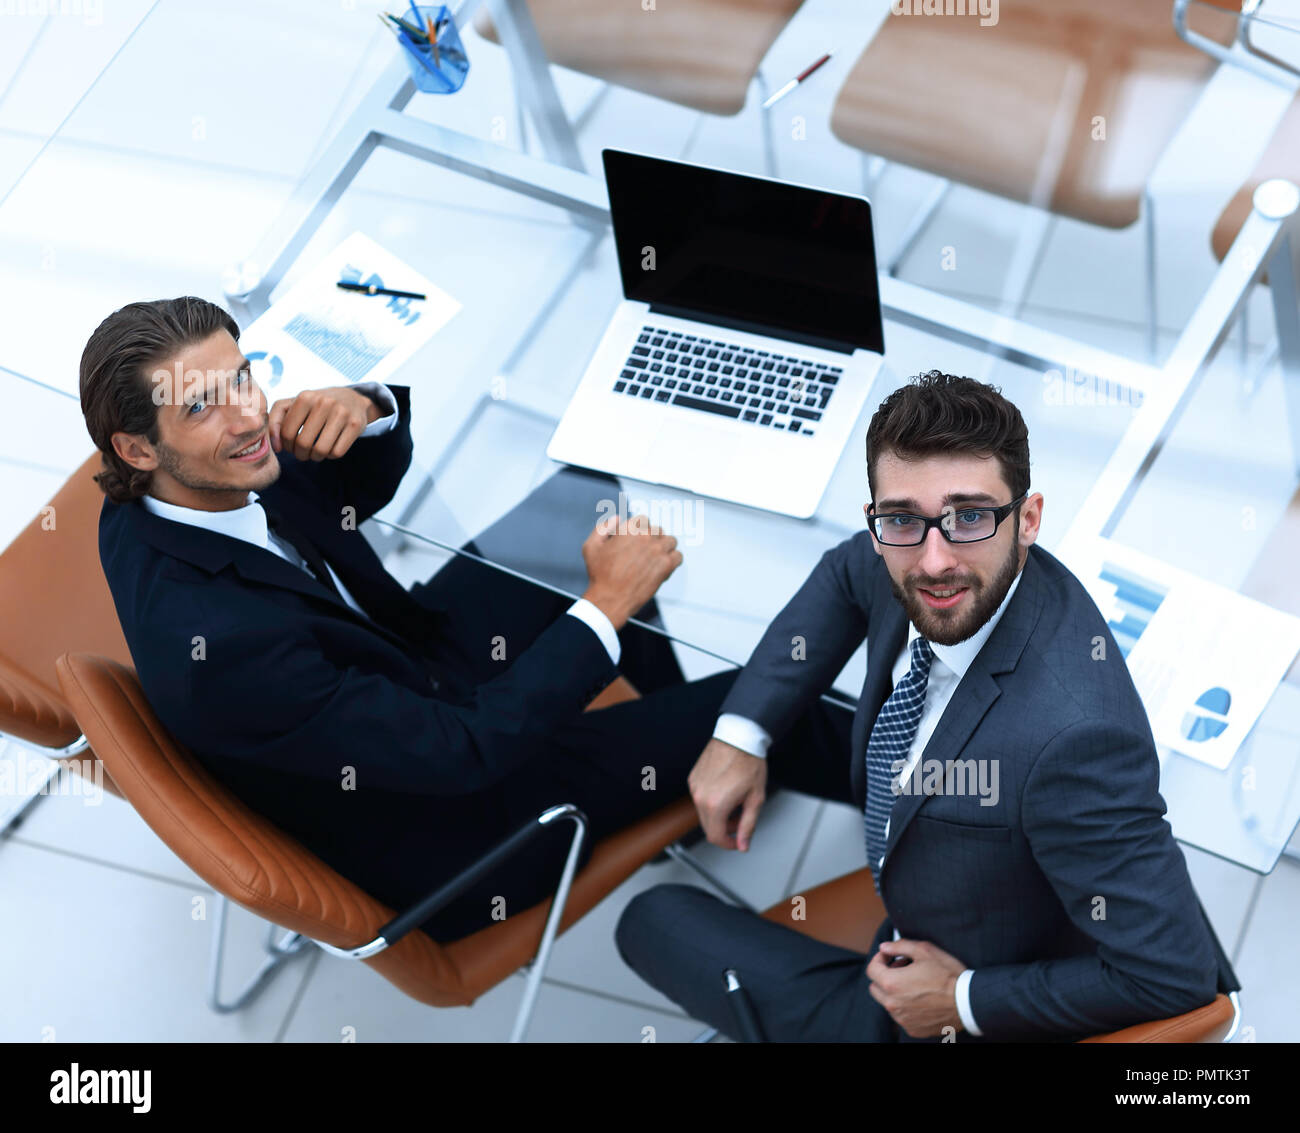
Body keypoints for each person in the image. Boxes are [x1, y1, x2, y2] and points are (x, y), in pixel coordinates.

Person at [79, 295, 730, 941]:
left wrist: (366, 409)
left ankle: (696, 769)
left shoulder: (166, 492)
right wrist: (607, 605)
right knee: (756, 705)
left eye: (243, 377)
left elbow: (346, 497)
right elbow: (463, 749)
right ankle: (721, 746)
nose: (250, 417)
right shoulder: (226, 649)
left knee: (583, 501)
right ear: (135, 449)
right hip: (475, 825)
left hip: (408, 658)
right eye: (201, 405)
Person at [615, 369, 1230, 1042]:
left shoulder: (1077, 738)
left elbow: (1173, 974)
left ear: (1028, 519)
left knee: (650, 919)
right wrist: (741, 733)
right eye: (903, 519)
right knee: (772, 724)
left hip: (950, 1001)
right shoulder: (894, 552)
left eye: (970, 516)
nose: (934, 561)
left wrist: (962, 998)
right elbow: (843, 576)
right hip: (940, 881)